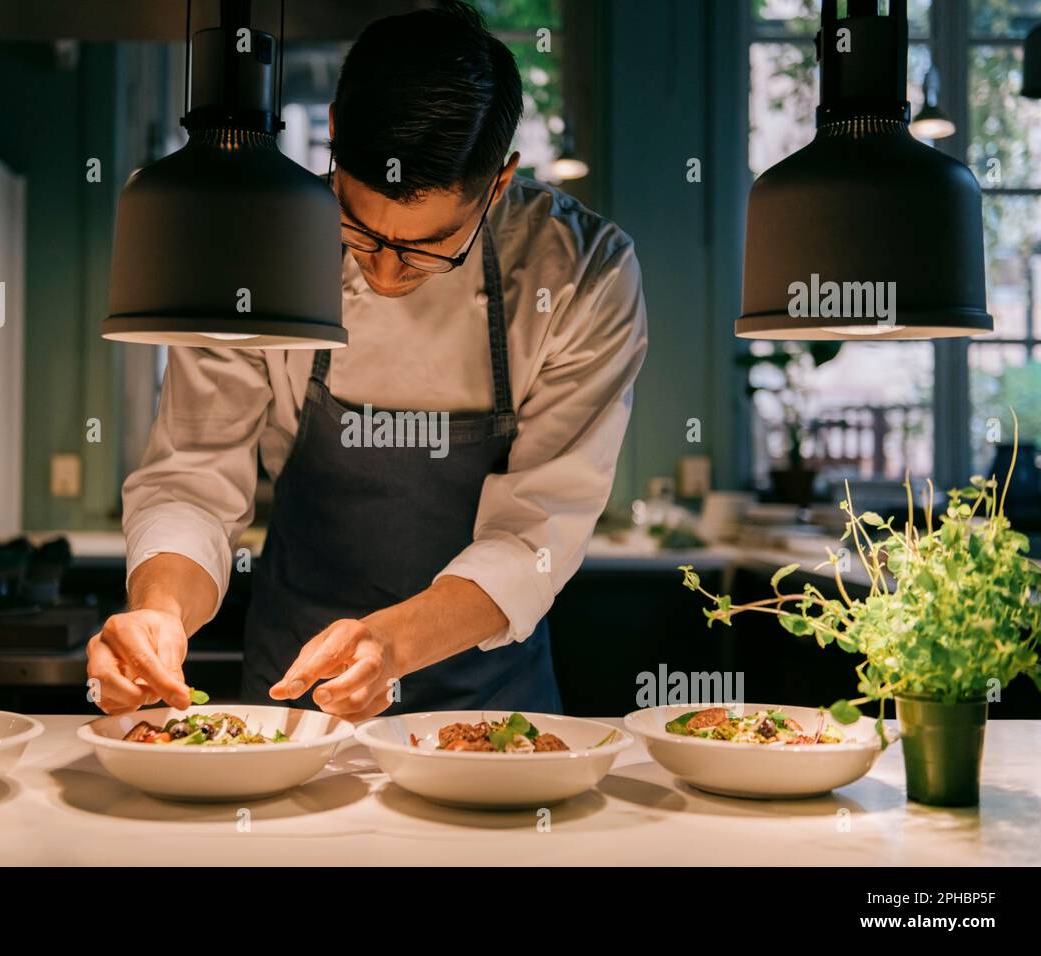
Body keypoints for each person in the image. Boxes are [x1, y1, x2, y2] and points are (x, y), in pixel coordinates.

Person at [89, 1, 649, 720]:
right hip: (294, 700)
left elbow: (537, 531)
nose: (384, 273)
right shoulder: (255, 243)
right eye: (356, 227)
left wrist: (393, 643)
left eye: (424, 248)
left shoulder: (581, 274)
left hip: (485, 712)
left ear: (499, 185)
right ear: (330, 135)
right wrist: (160, 612)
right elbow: (194, 476)